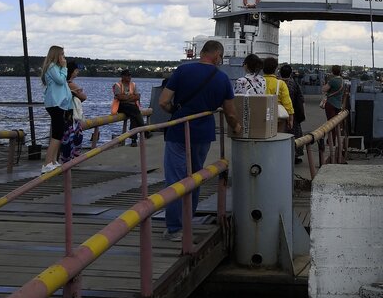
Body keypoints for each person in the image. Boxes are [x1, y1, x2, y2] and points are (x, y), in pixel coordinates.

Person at [158, 40, 242, 240]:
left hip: (178, 131)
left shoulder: (182, 71)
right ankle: (187, 222)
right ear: (217, 56)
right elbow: (230, 113)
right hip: (203, 133)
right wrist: (237, 127)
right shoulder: (222, 79)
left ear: (202, 53)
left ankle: (174, 228)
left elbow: (163, 101)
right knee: (195, 178)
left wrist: (177, 111)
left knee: (175, 180)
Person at [41, 46, 73, 173]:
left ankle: (53, 161)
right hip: (55, 103)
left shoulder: (57, 68)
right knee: (56, 133)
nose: (64, 58)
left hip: (60, 104)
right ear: (56, 55)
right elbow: (60, 81)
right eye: (62, 55)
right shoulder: (52, 67)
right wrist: (65, 67)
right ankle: (47, 163)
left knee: (58, 133)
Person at [280, 63, 305, 162]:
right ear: (290, 73)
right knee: (295, 134)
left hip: (279, 113)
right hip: (292, 113)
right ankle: (294, 155)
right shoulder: (294, 83)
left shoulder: (278, 83)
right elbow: (300, 99)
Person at [113, 69, 145, 146]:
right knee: (135, 112)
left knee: (134, 117)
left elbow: (137, 96)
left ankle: (134, 140)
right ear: (122, 77)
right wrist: (131, 97)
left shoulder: (133, 84)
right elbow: (120, 98)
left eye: (130, 75)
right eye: (127, 75)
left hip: (132, 106)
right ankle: (145, 130)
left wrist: (127, 97)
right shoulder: (117, 85)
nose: (129, 77)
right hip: (121, 106)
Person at [262, 57, 294, 133]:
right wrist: (291, 118)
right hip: (277, 116)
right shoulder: (280, 83)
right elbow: (287, 102)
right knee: (278, 137)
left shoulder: (259, 81)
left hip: (261, 114)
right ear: (276, 69)